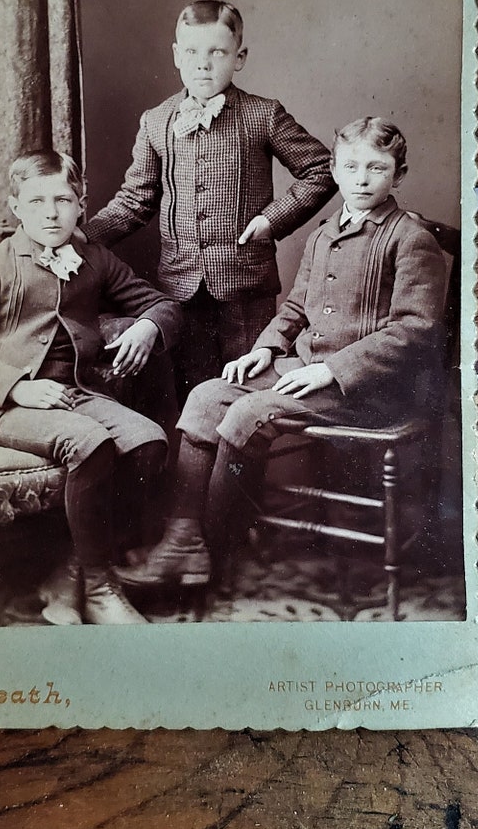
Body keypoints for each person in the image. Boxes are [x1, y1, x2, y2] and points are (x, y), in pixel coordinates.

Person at [117, 118, 451, 589]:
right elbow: (295, 307)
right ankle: (183, 541)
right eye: (351, 166)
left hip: (367, 389)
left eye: (377, 168)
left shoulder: (410, 239)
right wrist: (265, 349)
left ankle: (213, 546)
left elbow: (415, 330)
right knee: (208, 396)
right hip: (304, 371)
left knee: (251, 412)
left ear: (398, 175)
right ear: (333, 171)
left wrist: (331, 371)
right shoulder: (322, 233)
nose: (361, 179)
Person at [0, 150, 181, 624]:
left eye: (62, 200)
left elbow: (162, 303)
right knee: (89, 443)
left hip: (71, 392)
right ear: (15, 207)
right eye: (35, 202)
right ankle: (99, 588)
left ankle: (66, 571)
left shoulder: (94, 259)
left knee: (149, 442)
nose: (50, 213)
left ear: (81, 204)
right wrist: (16, 389)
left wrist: (148, 327)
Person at [85, 0, 335, 401]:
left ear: (240, 57)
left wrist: (272, 219)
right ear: (175, 55)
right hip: (179, 286)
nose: (203, 64)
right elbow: (135, 200)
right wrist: (81, 238)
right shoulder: (156, 120)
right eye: (192, 52)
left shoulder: (262, 114)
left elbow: (322, 168)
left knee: (248, 390)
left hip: (245, 284)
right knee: (193, 392)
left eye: (217, 52)